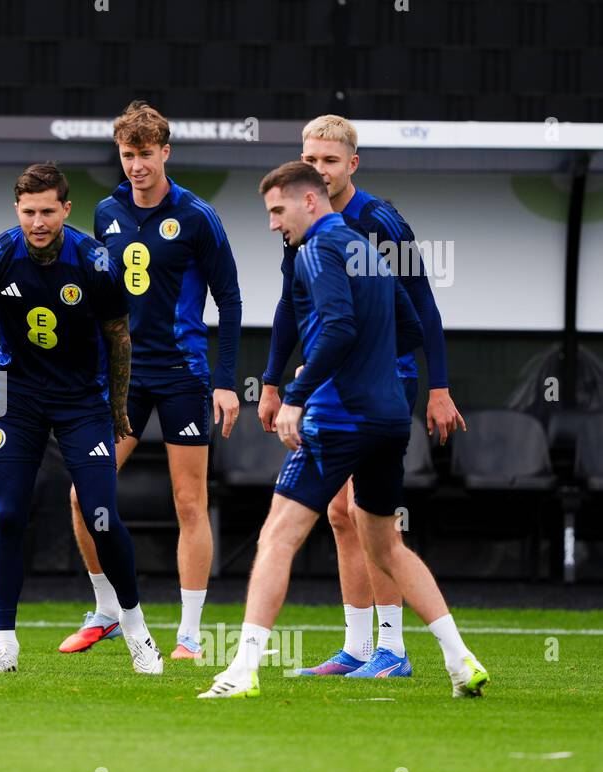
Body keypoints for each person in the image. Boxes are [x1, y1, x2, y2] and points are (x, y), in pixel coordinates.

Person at [199, 161, 488, 700]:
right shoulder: (366, 249)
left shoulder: (316, 250)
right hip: (387, 420)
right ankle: (460, 659)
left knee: (275, 537)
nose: (272, 224)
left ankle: (241, 670)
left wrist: (301, 390)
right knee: (387, 547)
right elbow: (408, 326)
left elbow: (338, 325)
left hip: (339, 419)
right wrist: (369, 365)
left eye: (276, 210)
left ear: (310, 202)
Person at [258, 115, 465, 679]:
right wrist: (273, 382)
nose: (319, 170)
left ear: (352, 164)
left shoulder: (379, 221)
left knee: (362, 513)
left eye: (329, 160)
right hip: (328, 374)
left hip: (382, 376)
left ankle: (392, 649)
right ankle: (357, 646)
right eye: (311, 159)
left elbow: (422, 307)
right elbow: (288, 306)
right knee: (338, 513)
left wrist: (439, 387)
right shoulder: (299, 219)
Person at [0, 162, 162, 675]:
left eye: (48, 211)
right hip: (17, 397)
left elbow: (120, 339)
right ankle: (5, 646)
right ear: (16, 210)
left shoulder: (95, 263)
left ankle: (136, 630)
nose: (38, 221)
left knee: (101, 515)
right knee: (8, 515)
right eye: (29, 212)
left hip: (81, 401)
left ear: (67, 210)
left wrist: (118, 411)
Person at [61, 101, 243, 659]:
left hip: (183, 373)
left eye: (145, 154)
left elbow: (229, 299)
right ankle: (108, 611)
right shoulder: (107, 212)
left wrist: (226, 380)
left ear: (166, 153)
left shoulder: (196, 215)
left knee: (189, 502)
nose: (136, 164)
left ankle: (189, 634)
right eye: (127, 154)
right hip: (122, 378)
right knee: (82, 493)